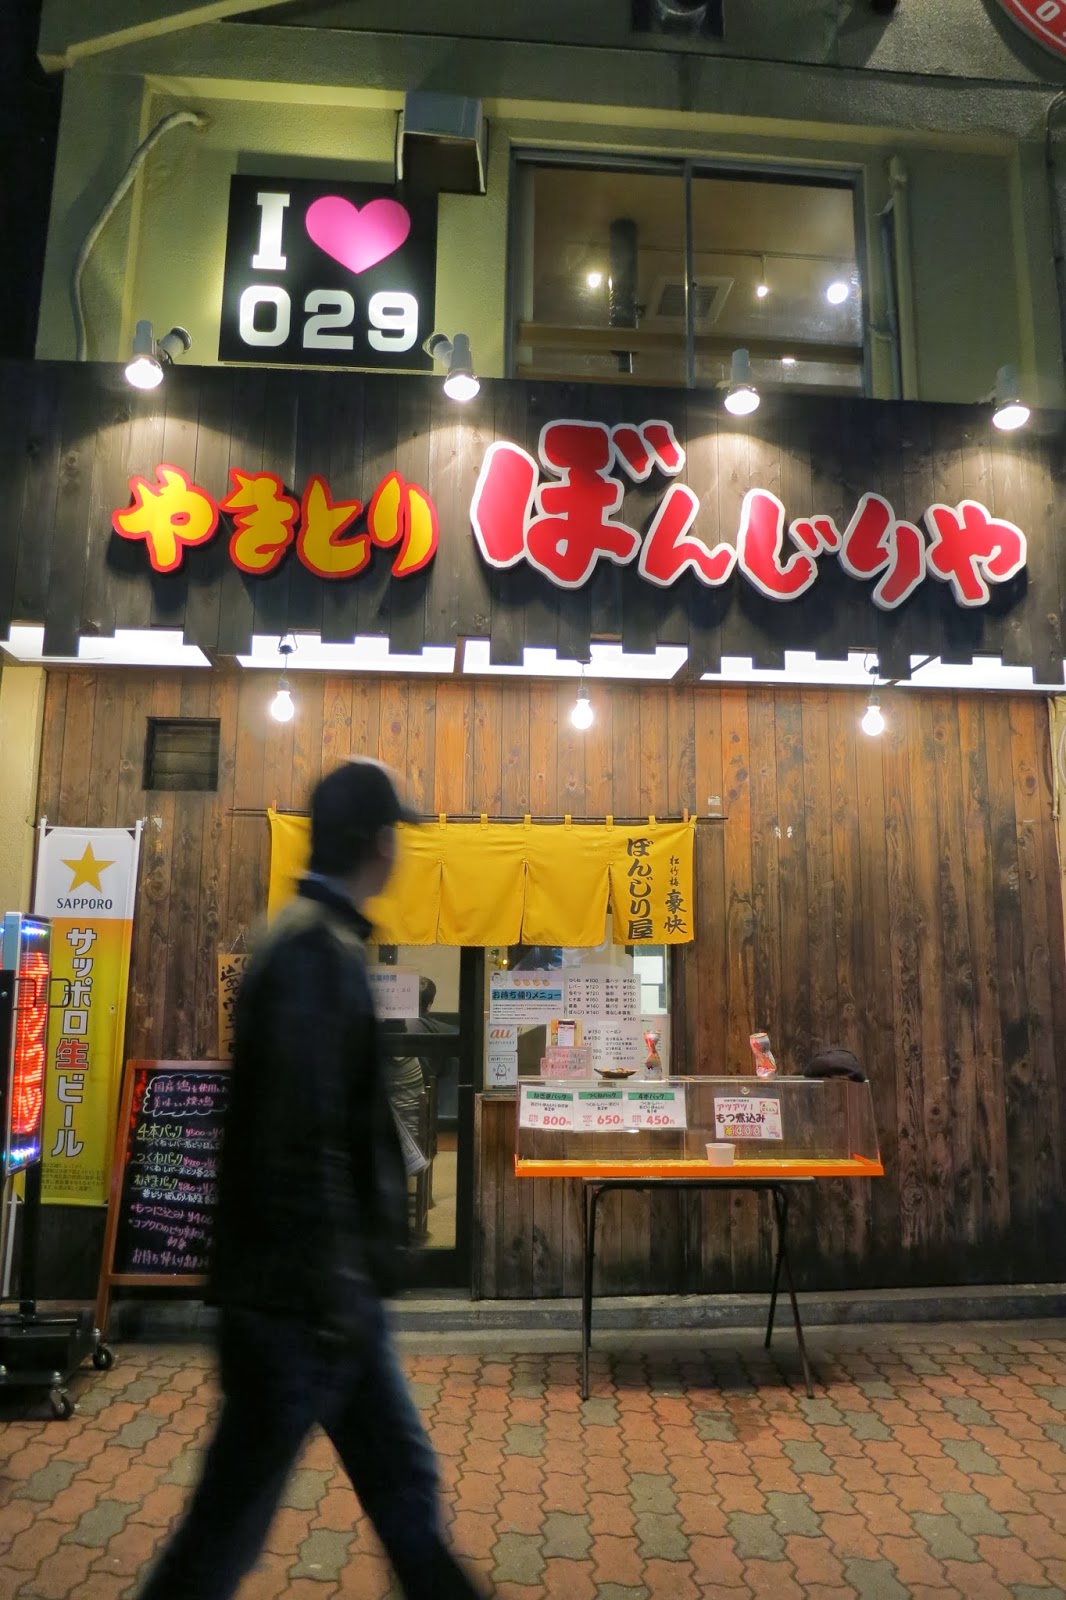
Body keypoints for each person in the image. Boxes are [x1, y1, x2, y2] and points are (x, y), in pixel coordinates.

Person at [138, 759, 486, 1600]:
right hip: (304, 1307)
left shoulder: (305, 938)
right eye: (395, 834)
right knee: (228, 1529)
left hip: (315, 1299)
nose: (399, 850)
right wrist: (336, 1296)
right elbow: (305, 1139)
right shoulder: (313, 956)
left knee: (401, 1489)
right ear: (375, 843)